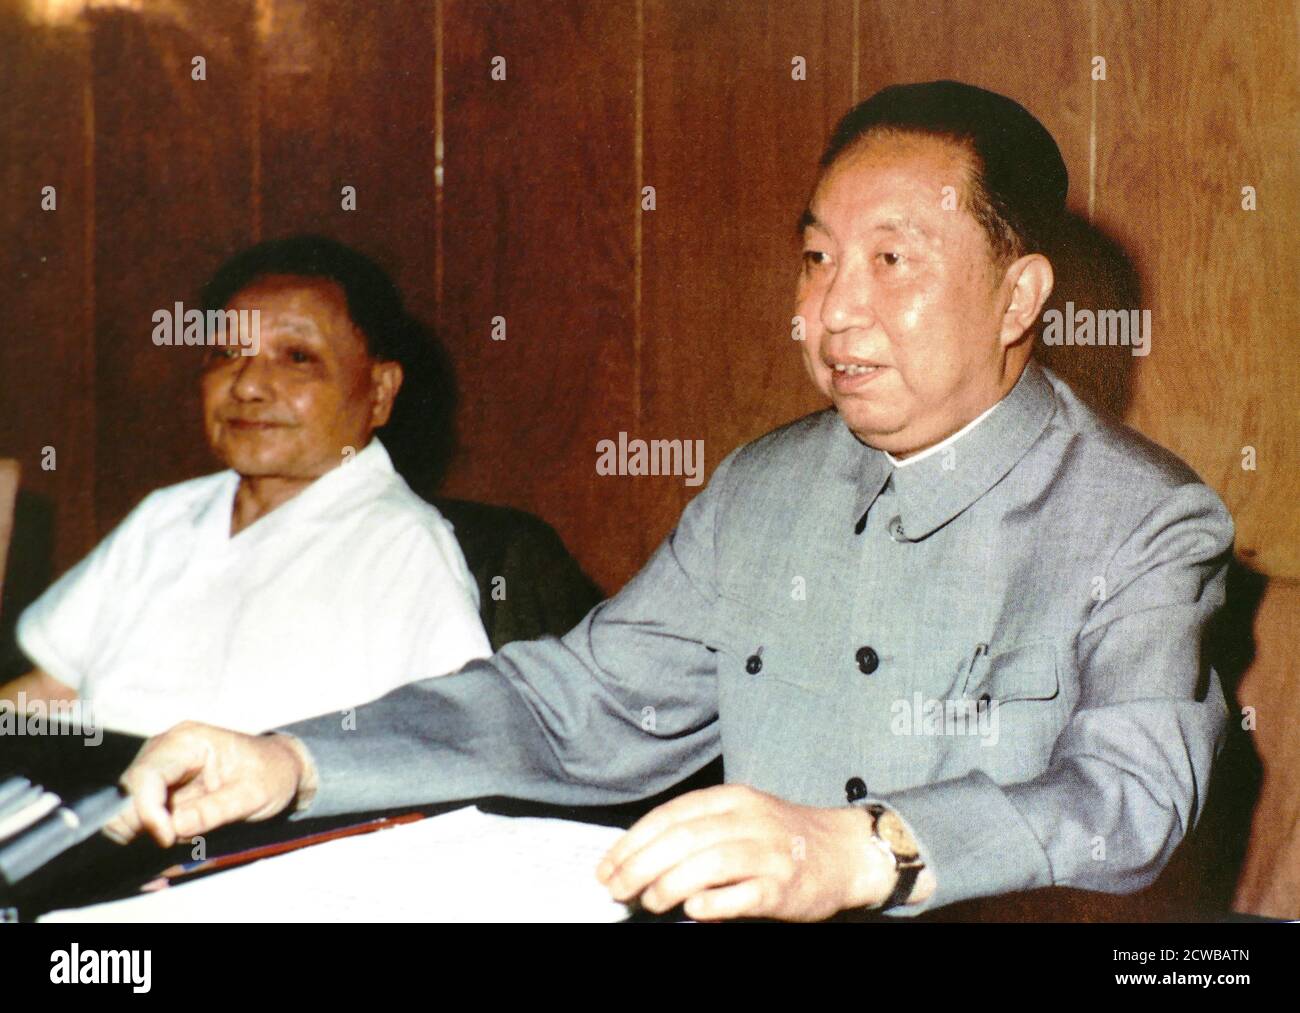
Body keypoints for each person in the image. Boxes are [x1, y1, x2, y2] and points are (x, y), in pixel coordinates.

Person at [107, 82, 1233, 922]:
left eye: (891, 260)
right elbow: (576, 702)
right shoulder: (762, 486)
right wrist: (296, 761)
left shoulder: (1141, 517)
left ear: (1018, 295)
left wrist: (861, 849)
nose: (832, 312)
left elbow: (1127, 796)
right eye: (814, 256)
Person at [2, 237, 491, 736]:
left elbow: (447, 745)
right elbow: (50, 690)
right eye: (227, 352)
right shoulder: (167, 515)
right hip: (89, 800)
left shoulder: (402, 545)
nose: (247, 385)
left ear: (380, 391)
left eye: (297, 356)